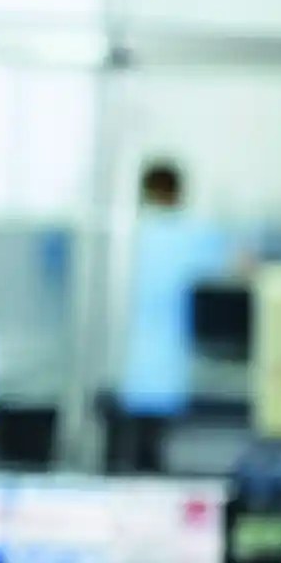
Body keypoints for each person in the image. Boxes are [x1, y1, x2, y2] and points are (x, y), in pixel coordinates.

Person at [117, 157, 233, 415]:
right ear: (178, 193)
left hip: (129, 369)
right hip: (174, 369)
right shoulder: (195, 236)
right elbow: (233, 268)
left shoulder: (128, 238)